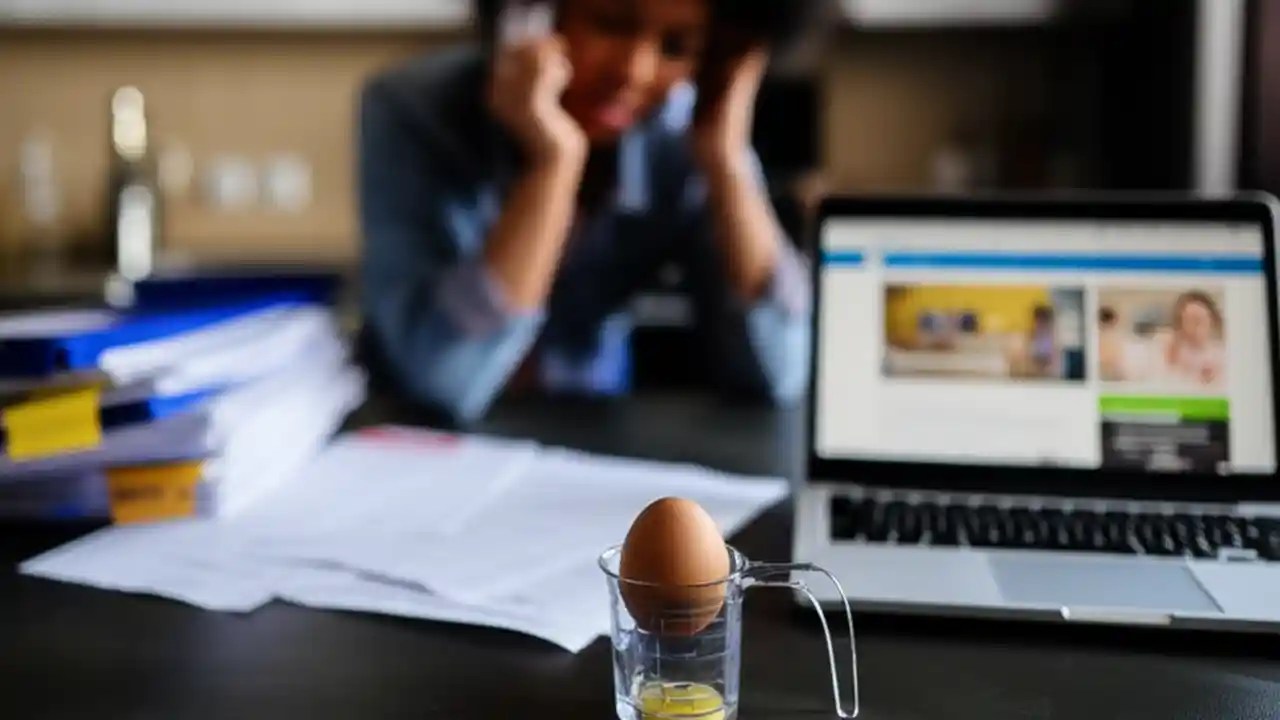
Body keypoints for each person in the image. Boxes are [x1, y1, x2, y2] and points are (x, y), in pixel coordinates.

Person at [358, 0, 824, 423]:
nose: (633, 72)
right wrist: (553, 162)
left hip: (592, 429)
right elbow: (445, 380)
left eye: (677, 47)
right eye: (611, 24)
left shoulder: (683, 135)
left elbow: (780, 373)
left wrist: (726, 159)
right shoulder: (412, 109)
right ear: (529, 15)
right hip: (406, 440)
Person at [1162, 291, 1225, 386]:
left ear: (1212, 321)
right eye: (1188, 320)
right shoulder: (1171, 348)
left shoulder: (1220, 354)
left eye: (1199, 320)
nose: (1194, 328)